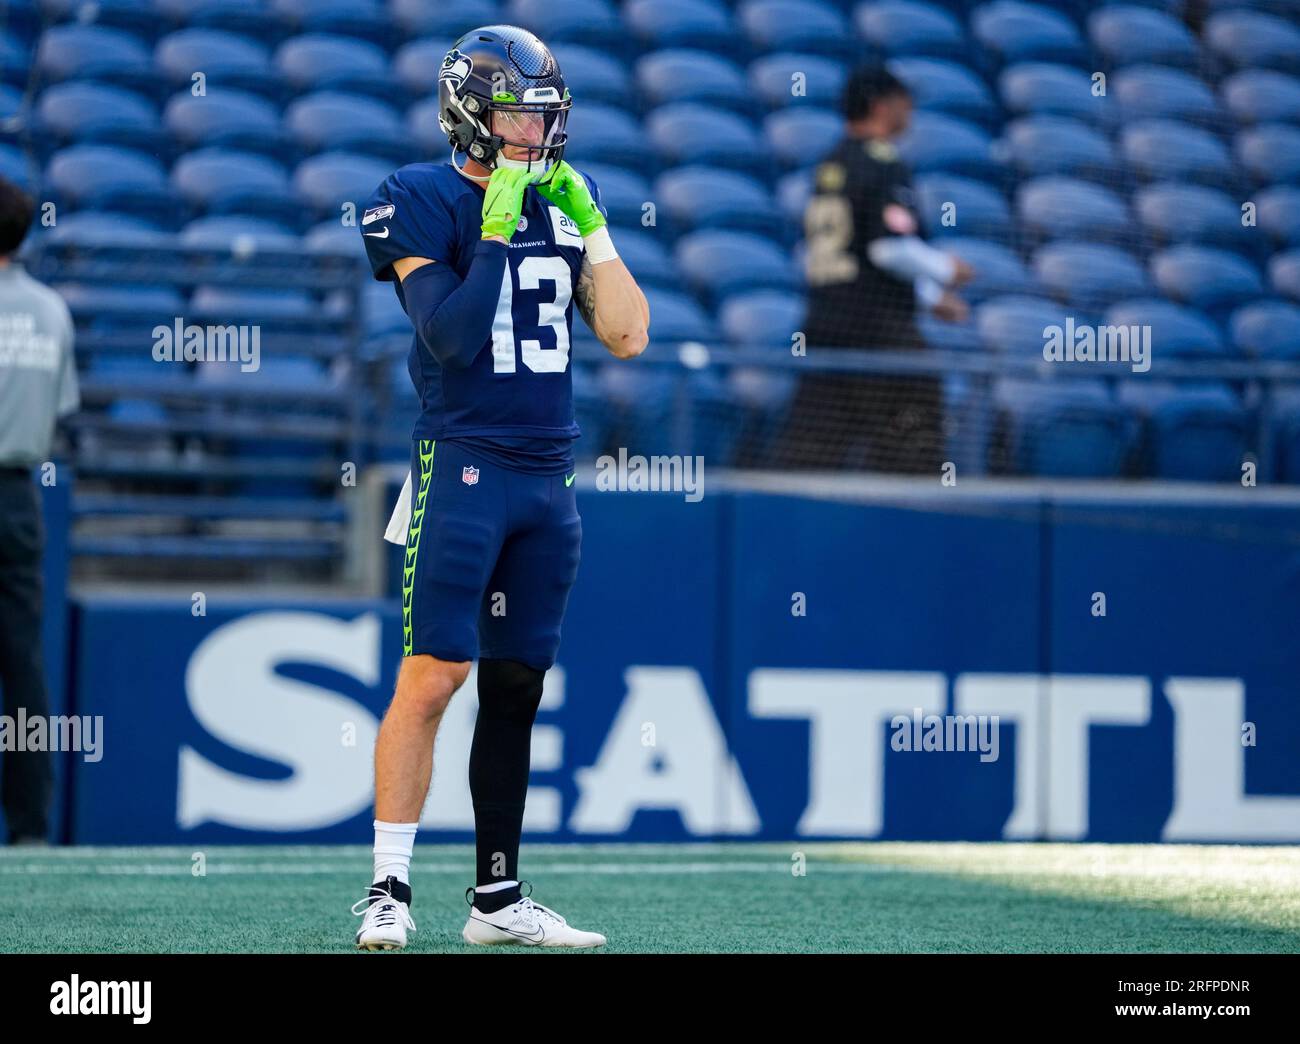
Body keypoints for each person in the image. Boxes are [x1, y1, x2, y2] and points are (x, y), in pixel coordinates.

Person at [351, 25, 648, 950]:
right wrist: (492, 226)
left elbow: (630, 337)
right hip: (463, 463)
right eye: (519, 112)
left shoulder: (569, 194)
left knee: (518, 685)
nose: (535, 132)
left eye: (545, 114)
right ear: (471, 112)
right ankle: (389, 888)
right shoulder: (415, 194)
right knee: (436, 674)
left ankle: (496, 900)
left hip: (546, 473)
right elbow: (448, 338)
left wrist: (590, 225)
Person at [784, 67, 973, 472]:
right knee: (911, 447)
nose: (910, 110)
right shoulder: (882, 162)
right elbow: (887, 248)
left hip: (824, 325)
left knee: (810, 457)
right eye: (904, 100)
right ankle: (907, 529)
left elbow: (860, 256)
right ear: (881, 105)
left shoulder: (831, 163)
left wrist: (928, 297)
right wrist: (944, 269)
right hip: (877, 333)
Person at [0, 175, 79, 844]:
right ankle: (29, 828)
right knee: (22, 662)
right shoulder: (51, 309)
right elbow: (60, 408)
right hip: (19, 495)